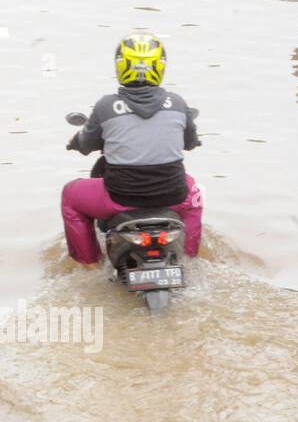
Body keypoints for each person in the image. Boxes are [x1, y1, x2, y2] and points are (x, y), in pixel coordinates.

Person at [61, 34, 204, 267]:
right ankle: (189, 260)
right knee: (195, 193)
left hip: (119, 198)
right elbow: (189, 143)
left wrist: (75, 142)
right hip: (173, 195)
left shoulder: (106, 106)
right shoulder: (178, 103)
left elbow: (85, 144)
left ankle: (89, 264)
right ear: (160, 65)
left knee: (70, 195)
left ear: (120, 65)